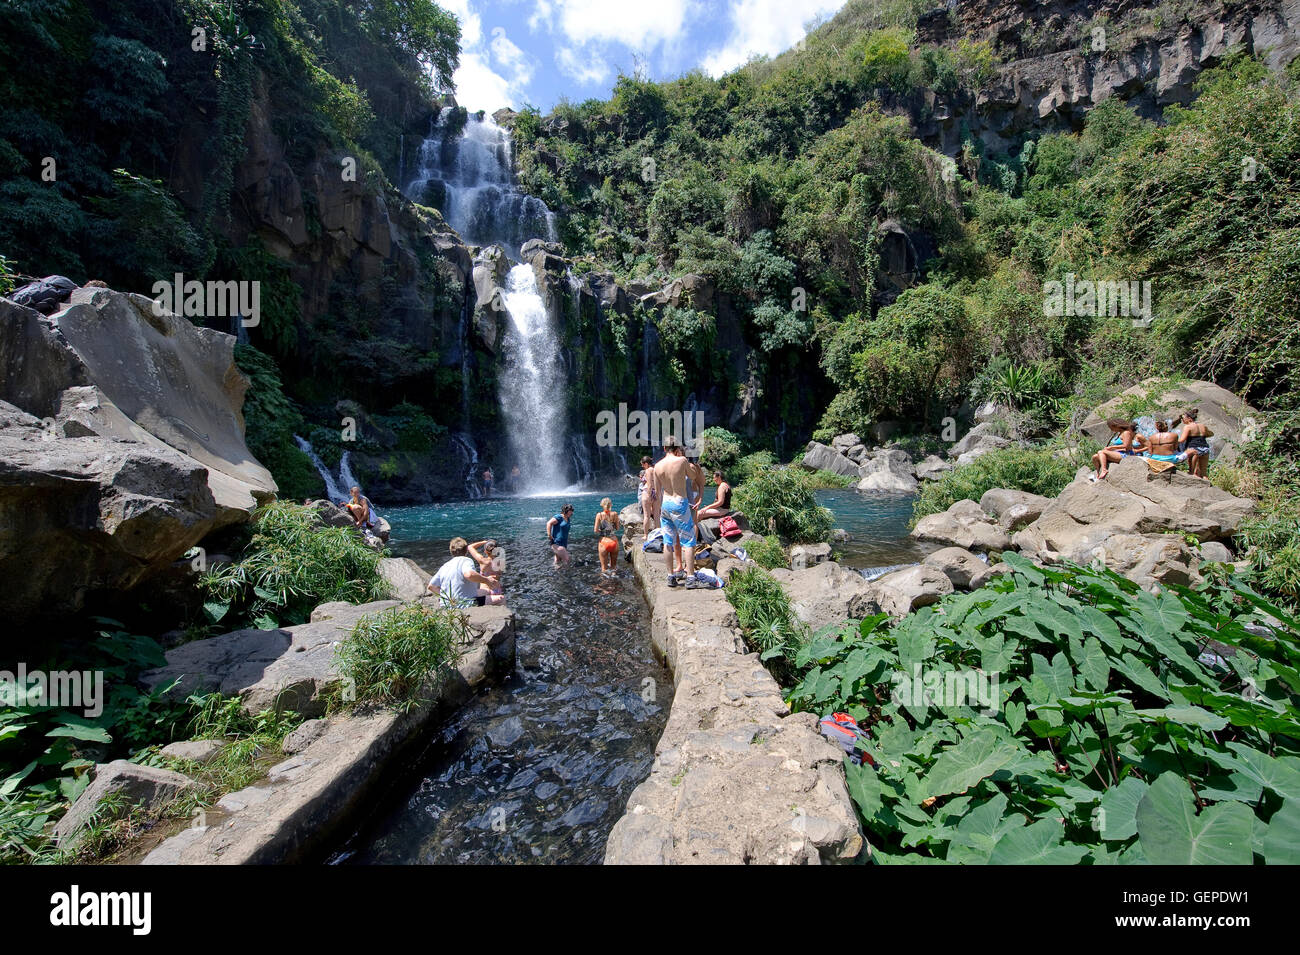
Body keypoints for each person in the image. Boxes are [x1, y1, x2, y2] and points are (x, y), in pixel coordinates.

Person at [654, 436, 706, 588]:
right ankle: (690, 578)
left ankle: (670, 576)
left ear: (664, 449)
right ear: (677, 449)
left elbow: (657, 492)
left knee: (668, 541)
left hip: (666, 504)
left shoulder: (657, 466)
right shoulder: (682, 460)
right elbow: (693, 476)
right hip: (680, 503)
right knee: (689, 541)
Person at [426, 537, 499, 608]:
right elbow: (469, 574)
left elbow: (431, 586)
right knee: (501, 599)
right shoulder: (466, 560)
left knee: (486, 591)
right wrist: (486, 580)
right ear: (466, 551)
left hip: (447, 604)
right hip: (465, 603)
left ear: (451, 551)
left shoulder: (445, 565)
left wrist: (446, 598)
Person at [1178, 408, 1214, 479]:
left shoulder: (1187, 427)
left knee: (1193, 473)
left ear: (1189, 418)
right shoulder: (1202, 426)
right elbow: (1211, 434)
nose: (1182, 420)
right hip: (1205, 448)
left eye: (1183, 418)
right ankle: (1207, 487)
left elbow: (1182, 440)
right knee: (1204, 474)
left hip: (1194, 450)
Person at [467, 539, 506, 605]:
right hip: (497, 590)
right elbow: (498, 576)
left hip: (485, 591)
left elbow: (470, 547)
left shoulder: (482, 561)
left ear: (485, 551)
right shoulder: (501, 562)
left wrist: (483, 542)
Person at [594, 498, 621, 577]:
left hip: (603, 542)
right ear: (611, 505)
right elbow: (617, 528)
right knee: (614, 568)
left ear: (602, 505)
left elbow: (595, 530)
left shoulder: (599, 515)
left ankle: (605, 587)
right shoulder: (615, 514)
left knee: (604, 569)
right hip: (614, 542)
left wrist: (602, 531)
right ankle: (614, 584)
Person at [546, 504, 574, 568]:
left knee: (558, 560)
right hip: (557, 542)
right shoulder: (559, 517)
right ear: (566, 510)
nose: (572, 512)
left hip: (564, 542)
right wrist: (549, 535)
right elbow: (549, 523)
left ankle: (556, 574)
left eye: (572, 510)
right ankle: (567, 574)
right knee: (567, 559)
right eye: (570, 510)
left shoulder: (568, 518)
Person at [637, 455, 659, 528]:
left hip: (648, 492)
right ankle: (658, 533)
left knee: (646, 516)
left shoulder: (648, 470)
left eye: (643, 465)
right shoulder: (656, 469)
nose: (643, 466)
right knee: (656, 516)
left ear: (646, 463)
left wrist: (649, 496)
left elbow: (649, 484)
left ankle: (646, 535)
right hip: (656, 492)